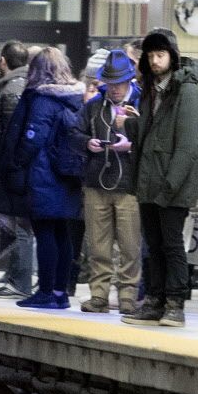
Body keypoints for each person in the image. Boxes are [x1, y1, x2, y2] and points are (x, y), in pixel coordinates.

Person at [119, 27, 198, 327]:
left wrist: (170, 184)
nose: (155, 61)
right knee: (153, 246)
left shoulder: (188, 92)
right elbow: (151, 137)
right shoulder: (150, 90)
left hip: (173, 184)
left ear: (172, 55)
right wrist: (131, 125)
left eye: (161, 54)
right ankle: (155, 301)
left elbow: (188, 145)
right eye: (151, 55)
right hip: (148, 182)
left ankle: (175, 304)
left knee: (172, 245)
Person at [0, 46, 85, 309]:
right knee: (62, 232)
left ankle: (45, 291)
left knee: (45, 233)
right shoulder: (75, 96)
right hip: (66, 175)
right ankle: (59, 292)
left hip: (43, 175)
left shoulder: (42, 98)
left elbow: (33, 137)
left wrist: (15, 163)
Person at [69, 48, 142, 315]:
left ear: (130, 81)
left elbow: (153, 140)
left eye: (119, 84)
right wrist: (87, 143)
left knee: (129, 246)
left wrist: (131, 144)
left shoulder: (142, 104)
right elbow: (74, 134)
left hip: (129, 185)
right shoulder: (92, 107)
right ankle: (98, 296)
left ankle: (127, 297)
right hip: (95, 182)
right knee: (97, 245)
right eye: (110, 84)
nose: (114, 90)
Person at [0, 40, 34, 300]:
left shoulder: (12, 87)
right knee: (17, 223)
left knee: (20, 224)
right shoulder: (26, 83)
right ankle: (15, 277)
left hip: (14, 165)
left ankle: (20, 281)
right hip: (18, 165)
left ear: (3, 61)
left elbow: (6, 128)